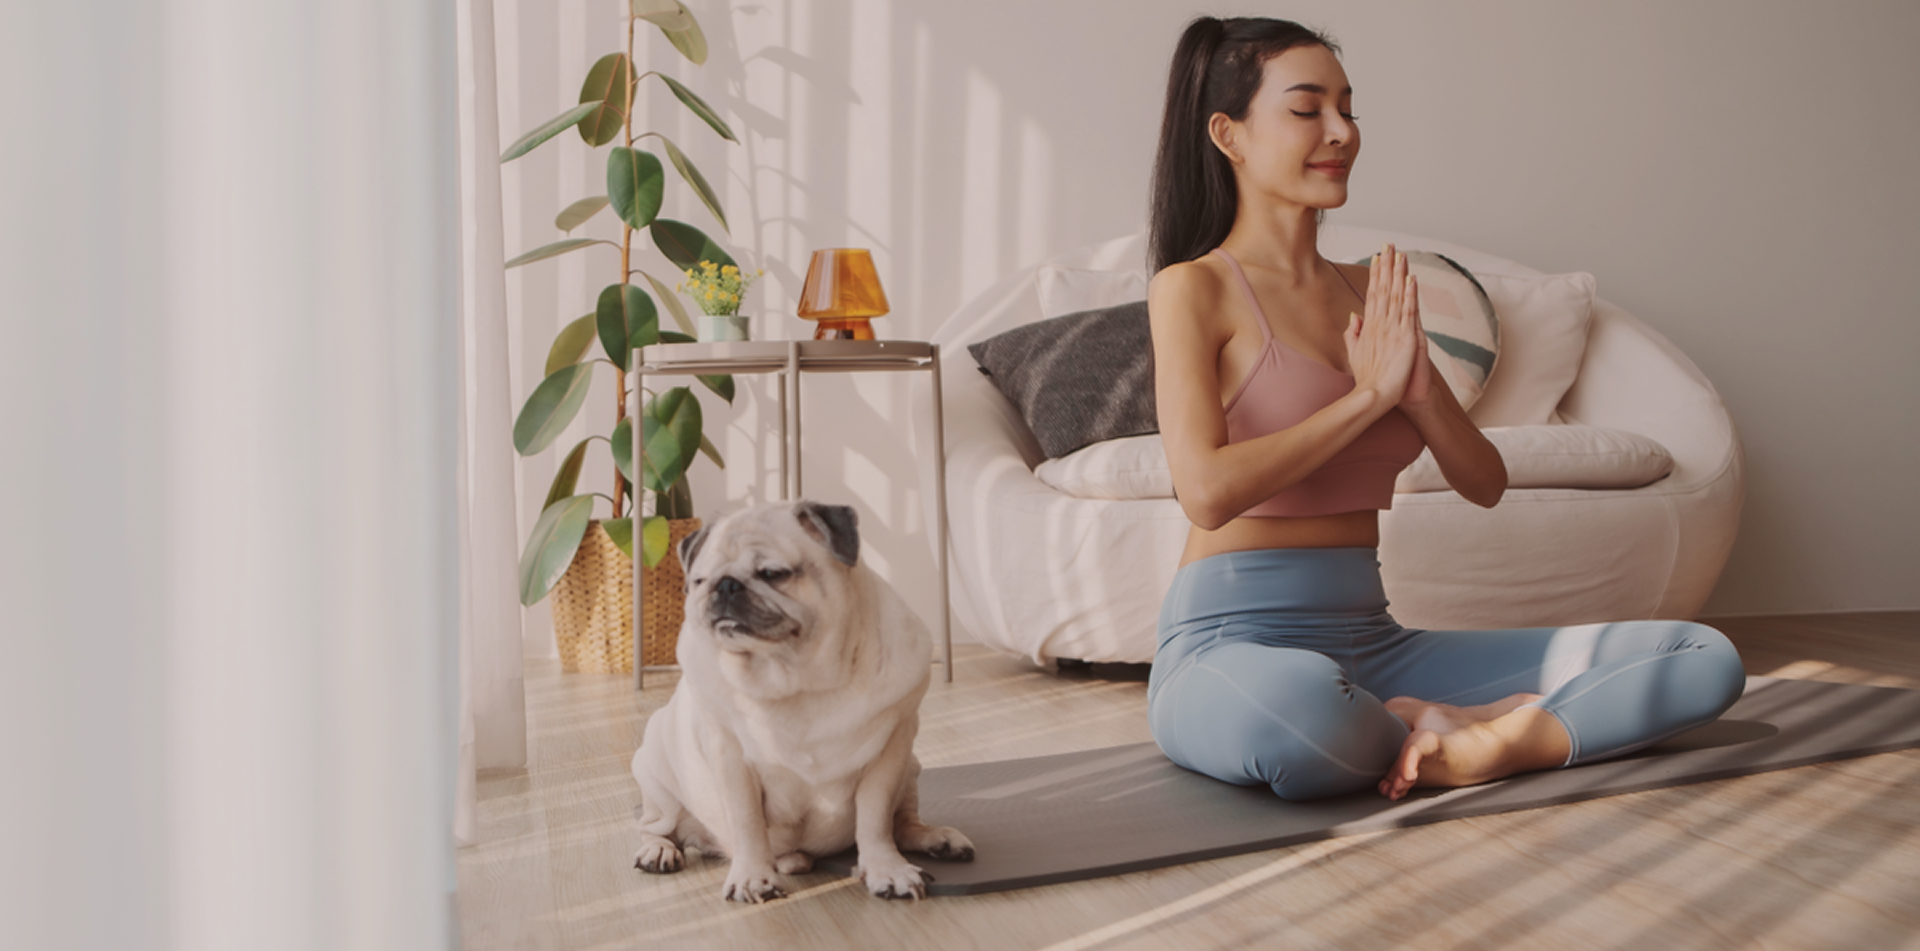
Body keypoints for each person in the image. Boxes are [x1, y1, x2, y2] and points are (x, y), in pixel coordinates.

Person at [1144, 16, 1745, 802]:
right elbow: (1206, 491)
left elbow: (1484, 482)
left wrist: (1421, 394)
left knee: (1699, 657)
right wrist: (1368, 398)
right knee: (1301, 717)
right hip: (1230, 647)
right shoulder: (1193, 288)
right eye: (1307, 109)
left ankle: (1490, 742)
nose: (1341, 132)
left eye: (1348, 109)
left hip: (1377, 642)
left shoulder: (1375, 290)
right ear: (1229, 135)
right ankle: (1442, 721)